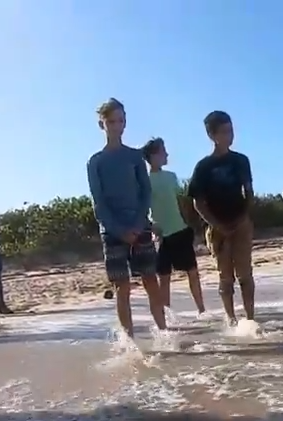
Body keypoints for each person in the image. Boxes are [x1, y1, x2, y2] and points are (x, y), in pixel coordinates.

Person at [86, 98, 167, 338]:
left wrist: (139, 224)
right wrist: (118, 230)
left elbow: (145, 193)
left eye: (121, 120)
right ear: (102, 124)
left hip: (139, 225)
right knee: (122, 287)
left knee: (150, 280)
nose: (117, 125)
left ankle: (164, 334)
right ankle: (129, 341)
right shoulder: (96, 162)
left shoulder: (134, 157)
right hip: (112, 231)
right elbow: (98, 201)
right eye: (111, 121)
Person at [189, 110, 256, 326]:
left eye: (231, 130)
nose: (230, 135)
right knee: (225, 277)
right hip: (216, 227)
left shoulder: (241, 160)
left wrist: (243, 217)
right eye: (225, 131)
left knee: (245, 274)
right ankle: (231, 319)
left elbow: (249, 191)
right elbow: (197, 202)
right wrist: (216, 225)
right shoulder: (203, 167)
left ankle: (250, 320)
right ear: (213, 135)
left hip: (240, 223)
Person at [142, 138, 206, 317]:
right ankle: (168, 316)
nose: (167, 155)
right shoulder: (145, 181)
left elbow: (181, 202)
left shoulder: (171, 176)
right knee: (164, 277)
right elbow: (142, 208)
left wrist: (190, 224)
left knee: (192, 272)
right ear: (153, 156)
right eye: (163, 151)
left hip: (180, 230)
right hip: (162, 235)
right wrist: (150, 226)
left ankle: (202, 310)